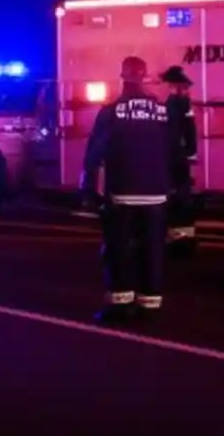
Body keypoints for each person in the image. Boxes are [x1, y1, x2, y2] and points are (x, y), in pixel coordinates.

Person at [81, 56, 174, 324]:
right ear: (144, 77)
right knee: (152, 250)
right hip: (156, 194)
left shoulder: (112, 111)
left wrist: (88, 190)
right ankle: (150, 304)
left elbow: (94, 154)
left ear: (122, 76)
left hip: (123, 193)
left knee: (119, 249)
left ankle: (121, 304)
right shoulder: (162, 111)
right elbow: (175, 151)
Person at [160, 65, 198, 256]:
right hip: (182, 158)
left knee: (174, 197)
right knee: (183, 197)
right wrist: (191, 153)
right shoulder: (184, 104)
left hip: (174, 158)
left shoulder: (173, 104)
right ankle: (185, 236)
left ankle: (177, 238)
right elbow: (190, 133)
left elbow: (172, 134)